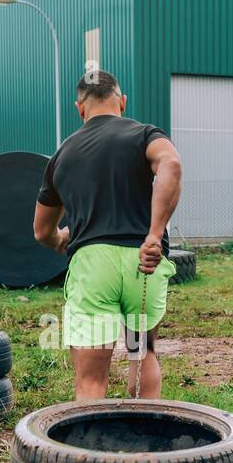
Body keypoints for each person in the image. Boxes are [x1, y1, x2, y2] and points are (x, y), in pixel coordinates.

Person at [32, 70, 183, 401]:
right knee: (142, 354)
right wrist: (154, 235)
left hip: (93, 266)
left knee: (91, 379)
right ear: (122, 102)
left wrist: (61, 240)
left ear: (79, 108)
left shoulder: (62, 155)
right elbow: (171, 164)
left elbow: (42, 230)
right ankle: (145, 446)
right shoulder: (144, 134)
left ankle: (91, 450)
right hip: (143, 263)